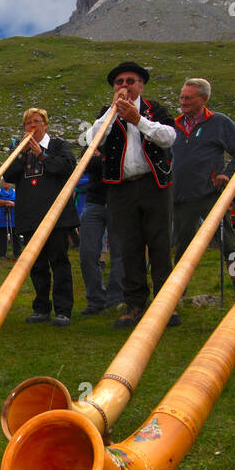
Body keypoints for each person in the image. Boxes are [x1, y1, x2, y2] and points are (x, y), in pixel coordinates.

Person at [82, 62, 176, 329]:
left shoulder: (154, 109)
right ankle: (135, 305)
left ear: (141, 85)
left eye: (130, 81)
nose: (124, 86)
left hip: (154, 184)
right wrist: (112, 113)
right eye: (119, 82)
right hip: (120, 188)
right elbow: (92, 141)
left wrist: (138, 119)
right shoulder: (107, 114)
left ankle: (165, 305)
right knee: (128, 248)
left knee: (159, 245)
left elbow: (169, 137)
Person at [171, 77, 235, 292]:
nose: (183, 101)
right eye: (181, 97)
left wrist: (227, 174)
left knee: (229, 243)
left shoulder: (219, 122)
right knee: (182, 247)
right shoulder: (175, 125)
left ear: (203, 100)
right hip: (181, 196)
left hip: (211, 194)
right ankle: (178, 290)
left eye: (188, 98)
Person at [5, 107, 77, 325]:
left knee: (59, 261)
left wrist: (40, 154)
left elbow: (66, 167)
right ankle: (41, 308)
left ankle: (63, 310)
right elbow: (8, 175)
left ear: (45, 124)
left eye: (36, 121)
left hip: (56, 216)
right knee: (36, 264)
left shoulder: (57, 145)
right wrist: (22, 154)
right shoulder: (19, 150)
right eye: (28, 123)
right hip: (29, 215)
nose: (32, 126)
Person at [77, 154, 124, 315]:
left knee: (119, 253)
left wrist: (102, 158)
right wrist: (103, 159)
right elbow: (87, 164)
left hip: (118, 201)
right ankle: (96, 299)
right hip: (94, 202)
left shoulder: (121, 134)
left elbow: (122, 164)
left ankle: (116, 298)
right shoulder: (93, 137)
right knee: (87, 253)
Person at [0, 179, 16, 259]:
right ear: (1, 183)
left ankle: (17, 253)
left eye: (7, 181)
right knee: (1, 237)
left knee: (16, 236)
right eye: (4, 182)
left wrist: (12, 204)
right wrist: (9, 202)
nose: (6, 183)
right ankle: (1, 255)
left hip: (12, 218)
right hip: (0, 219)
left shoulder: (15, 191)